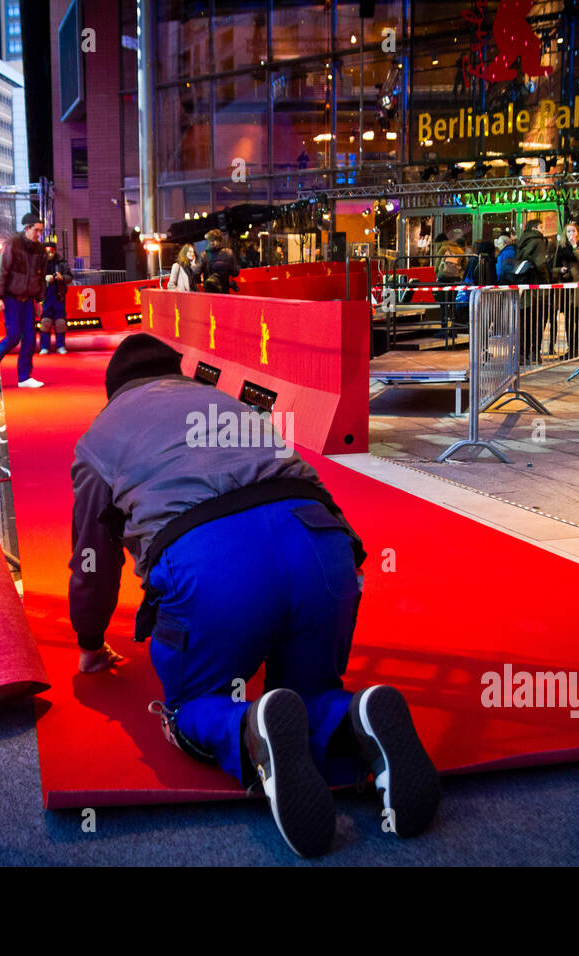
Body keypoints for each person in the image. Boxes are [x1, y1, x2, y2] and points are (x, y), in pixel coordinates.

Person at [68, 334, 441, 857]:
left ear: (114, 391)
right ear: (179, 373)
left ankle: (248, 726)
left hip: (212, 563)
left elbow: (94, 558)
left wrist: (89, 639)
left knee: (191, 705)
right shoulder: (225, 400)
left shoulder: (100, 437)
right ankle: (355, 715)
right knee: (311, 689)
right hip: (319, 542)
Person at [0, 212, 46, 388]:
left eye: (40, 231)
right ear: (27, 228)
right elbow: (1, 270)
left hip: (28, 299)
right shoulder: (13, 244)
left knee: (29, 338)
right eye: (36, 230)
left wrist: (40, 300)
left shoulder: (41, 250)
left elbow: (41, 277)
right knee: (13, 336)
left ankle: (24, 377)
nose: (38, 234)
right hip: (11, 297)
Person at [554, 222, 579, 359]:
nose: (571, 234)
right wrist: (560, 270)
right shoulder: (561, 248)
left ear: (578, 233)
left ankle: (576, 349)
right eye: (568, 232)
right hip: (566, 286)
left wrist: (575, 246)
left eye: (573, 231)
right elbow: (554, 268)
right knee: (568, 319)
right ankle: (571, 349)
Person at [514, 219, 549, 363]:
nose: (543, 230)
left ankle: (521, 353)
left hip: (524, 289)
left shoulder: (522, 241)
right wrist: (546, 280)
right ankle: (534, 352)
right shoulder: (538, 241)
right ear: (535, 228)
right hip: (537, 291)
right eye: (541, 227)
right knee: (538, 322)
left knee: (523, 322)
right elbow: (540, 264)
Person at [39, 240, 73, 355]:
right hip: (45, 294)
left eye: (52, 251)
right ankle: (44, 346)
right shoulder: (40, 263)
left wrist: (61, 277)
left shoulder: (61, 262)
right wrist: (44, 278)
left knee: (60, 322)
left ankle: (60, 345)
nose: (50, 253)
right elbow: (34, 277)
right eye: (47, 251)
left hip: (59, 294)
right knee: (45, 321)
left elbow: (70, 277)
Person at [203, 229, 240, 293]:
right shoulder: (228, 253)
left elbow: (196, 273)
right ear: (220, 240)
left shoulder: (204, 254)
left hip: (209, 292)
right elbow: (235, 273)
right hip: (224, 290)